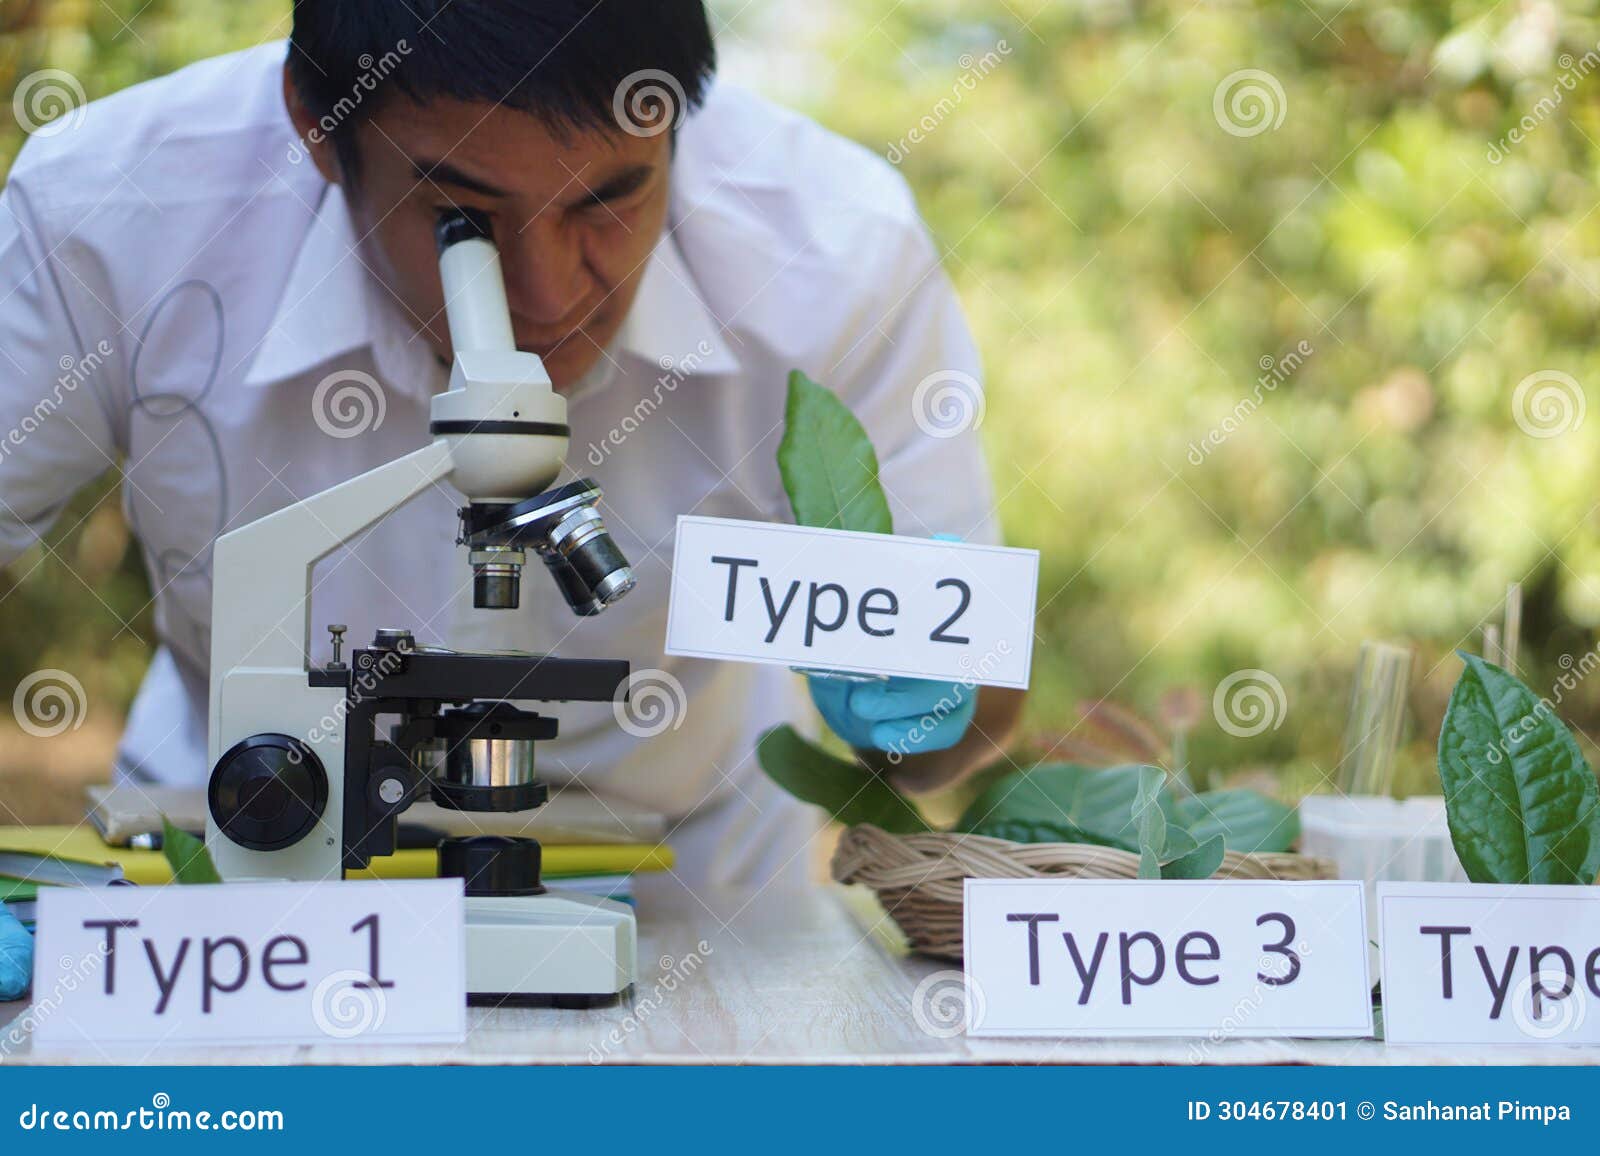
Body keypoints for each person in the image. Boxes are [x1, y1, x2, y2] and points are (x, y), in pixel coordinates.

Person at [0, 0, 1023, 917]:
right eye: (467, 218)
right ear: (317, 125)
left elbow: (969, 717)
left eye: (609, 199)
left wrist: (927, 699)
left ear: (675, 124)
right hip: (240, 869)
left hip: (689, 888)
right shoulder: (117, 213)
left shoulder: (838, 251)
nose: (546, 294)